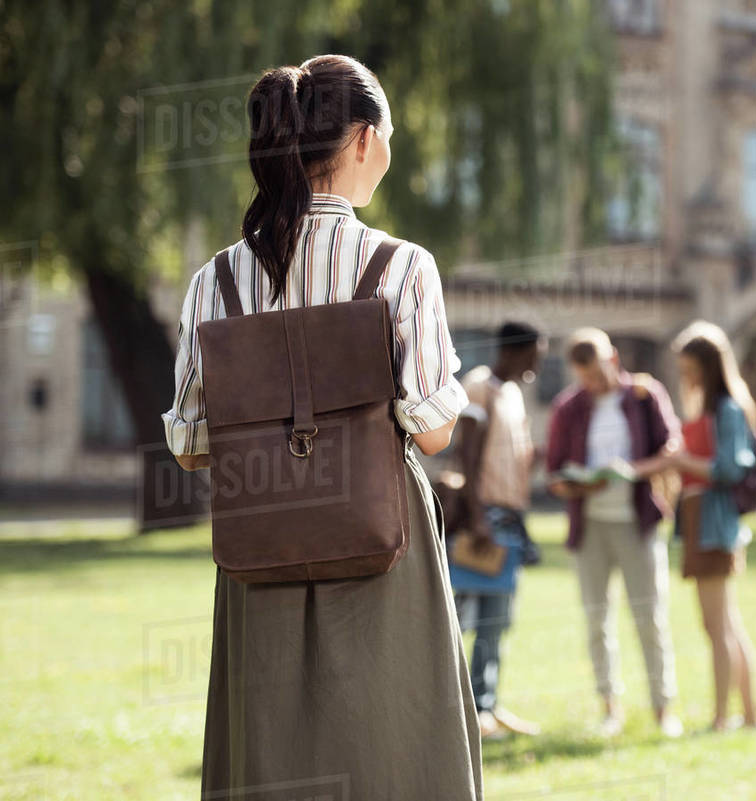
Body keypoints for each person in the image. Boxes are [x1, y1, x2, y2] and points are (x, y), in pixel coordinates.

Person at [162, 56, 482, 800]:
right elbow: (433, 431)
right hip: (380, 541)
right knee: (392, 745)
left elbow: (188, 443)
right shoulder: (401, 266)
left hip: (262, 539)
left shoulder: (216, 278)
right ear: (365, 139)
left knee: (269, 752)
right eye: (390, 137)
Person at [545, 327, 683, 738]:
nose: (593, 383)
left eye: (598, 372)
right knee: (596, 618)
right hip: (590, 525)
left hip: (636, 521)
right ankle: (610, 708)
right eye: (584, 377)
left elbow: (672, 450)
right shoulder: (567, 407)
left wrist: (632, 471)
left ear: (613, 359)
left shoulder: (644, 395)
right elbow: (554, 475)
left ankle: (664, 708)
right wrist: (577, 483)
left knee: (649, 616)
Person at [634, 321, 756, 733]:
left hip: (715, 524)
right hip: (699, 523)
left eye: (690, 368)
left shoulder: (727, 408)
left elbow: (730, 467)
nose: (685, 376)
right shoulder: (708, 409)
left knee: (717, 627)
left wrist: (680, 461)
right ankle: (749, 715)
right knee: (726, 624)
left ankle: (723, 718)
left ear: (708, 367)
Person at [453, 321, 545, 739]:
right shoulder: (479, 386)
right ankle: (458, 707)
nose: (538, 364)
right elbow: (466, 454)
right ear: (514, 351)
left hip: (509, 519)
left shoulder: (512, 394)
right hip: (483, 517)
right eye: (534, 354)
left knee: (498, 619)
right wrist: (475, 516)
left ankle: (485, 704)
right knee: (463, 615)